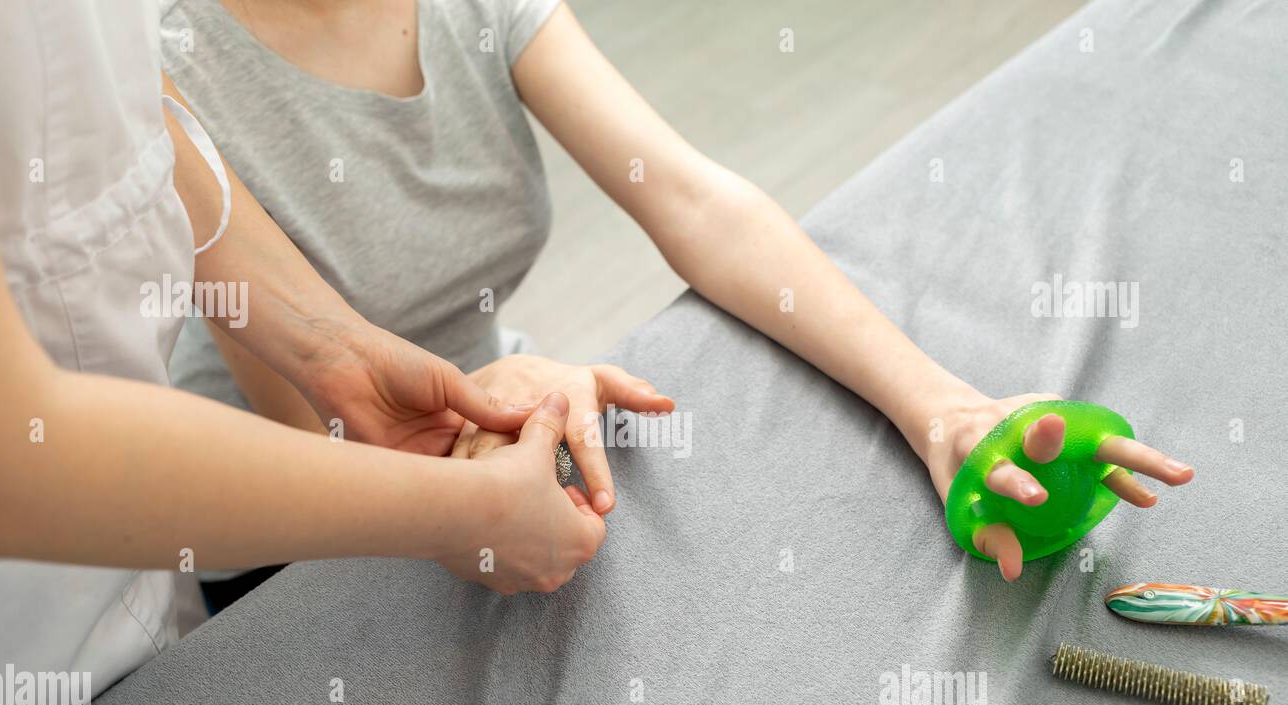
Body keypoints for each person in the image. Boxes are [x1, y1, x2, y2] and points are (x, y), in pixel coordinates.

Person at [162, 0, 1193, 585]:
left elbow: (696, 202)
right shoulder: (160, 63)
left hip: (494, 405)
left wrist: (941, 405)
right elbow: (314, 423)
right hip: (296, 501)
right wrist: (477, 444)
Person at [0, 0, 605, 705]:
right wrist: (469, 511)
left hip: (112, 622)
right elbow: (13, 460)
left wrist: (332, 349)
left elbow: (128, 110)